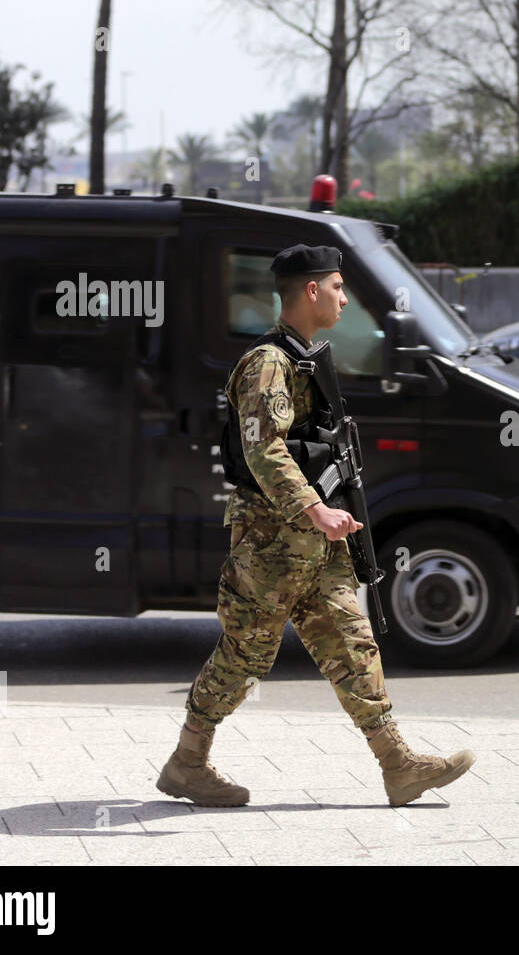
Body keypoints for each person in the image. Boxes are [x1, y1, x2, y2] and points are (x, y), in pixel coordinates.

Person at [157, 244, 475, 808]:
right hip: (270, 543)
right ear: (310, 290)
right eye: (337, 286)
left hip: (316, 545)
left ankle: (397, 764)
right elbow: (263, 449)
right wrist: (315, 508)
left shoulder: (303, 358)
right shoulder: (267, 363)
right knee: (245, 655)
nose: (345, 298)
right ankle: (187, 763)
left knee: (352, 643)